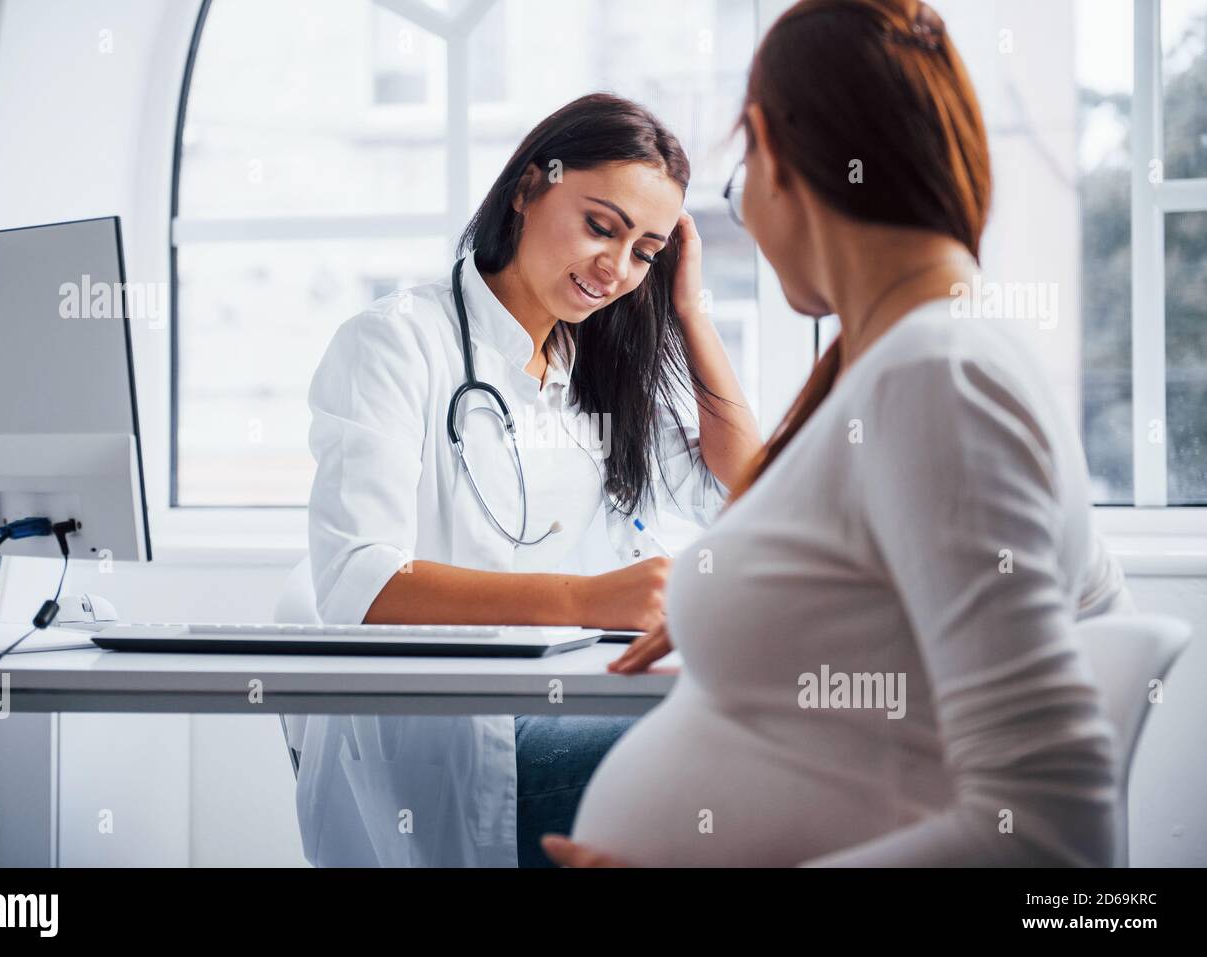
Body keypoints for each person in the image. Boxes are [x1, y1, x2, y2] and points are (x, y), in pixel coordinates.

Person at [552, 0, 1131, 868]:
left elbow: (1055, 844)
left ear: (769, 153)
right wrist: (766, 600)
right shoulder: (926, 362)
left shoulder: (939, 378)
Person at [295, 93, 762, 867]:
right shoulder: (395, 345)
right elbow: (360, 586)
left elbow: (747, 480)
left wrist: (691, 313)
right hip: (448, 741)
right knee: (752, 765)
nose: (616, 269)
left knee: (768, 741)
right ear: (527, 188)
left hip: (554, 705)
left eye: (645, 251)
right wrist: (588, 599)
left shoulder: (588, 373)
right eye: (600, 226)